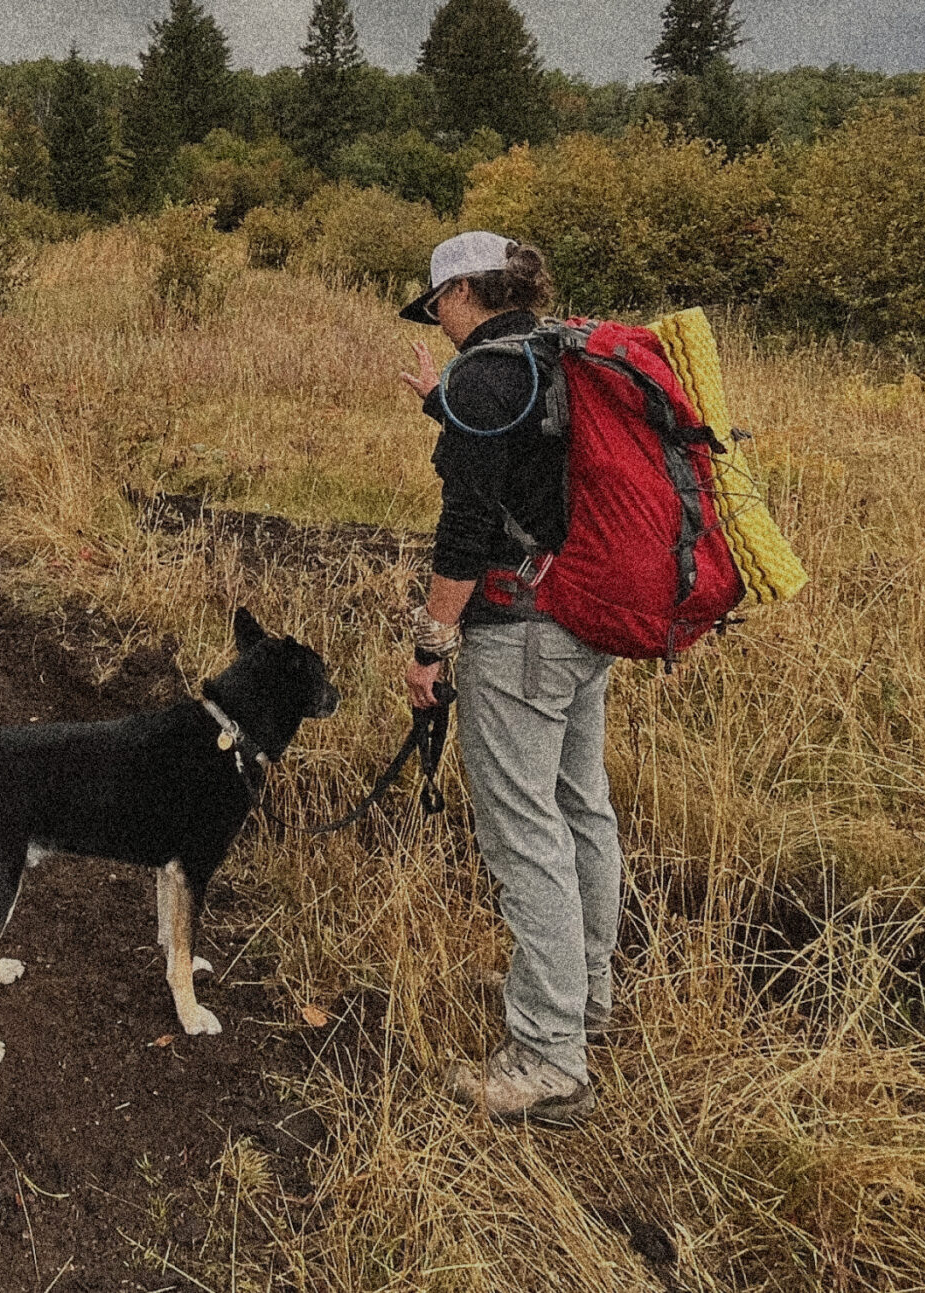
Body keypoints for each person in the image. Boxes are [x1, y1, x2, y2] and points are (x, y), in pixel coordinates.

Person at [398, 231, 616, 1127]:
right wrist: (439, 405)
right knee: (580, 809)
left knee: (524, 833)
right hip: (579, 620)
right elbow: (522, 454)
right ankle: (583, 994)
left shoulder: (487, 377)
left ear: (463, 293)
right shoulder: (554, 354)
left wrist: (431, 641)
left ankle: (548, 1055)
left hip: (516, 633)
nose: (437, 320)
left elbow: (468, 522)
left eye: (437, 303)